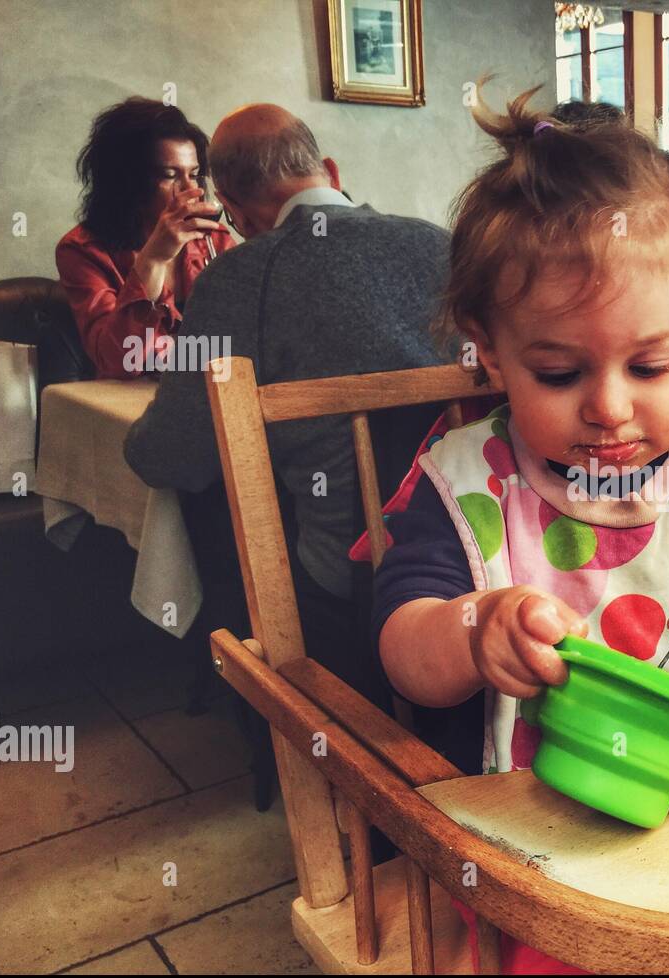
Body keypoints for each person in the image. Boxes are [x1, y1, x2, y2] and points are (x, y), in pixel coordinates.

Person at [373, 86, 669, 973]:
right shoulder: (468, 481)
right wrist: (474, 630)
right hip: (528, 848)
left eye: (651, 364)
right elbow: (398, 644)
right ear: (490, 347)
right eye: (557, 372)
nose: (611, 409)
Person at [124, 103, 453, 698]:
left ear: (236, 210)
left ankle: (266, 717)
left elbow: (171, 456)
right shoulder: (442, 244)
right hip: (469, 539)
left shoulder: (239, 278)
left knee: (224, 533)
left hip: (350, 572)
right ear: (329, 169)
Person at [57, 98, 233, 380]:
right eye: (169, 175)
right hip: (129, 404)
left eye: (195, 175)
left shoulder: (213, 240)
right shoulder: (83, 251)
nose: (191, 190)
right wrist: (153, 260)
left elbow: (244, 340)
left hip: (207, 394)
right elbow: (118, 360)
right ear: (127, 182)